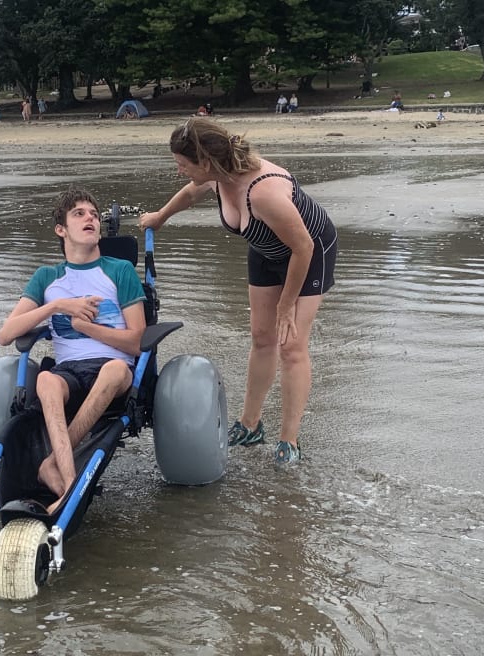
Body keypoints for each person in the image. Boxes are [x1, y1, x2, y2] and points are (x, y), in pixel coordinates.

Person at [138, 118, 338, 464]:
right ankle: (250, 425)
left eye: (183, 164)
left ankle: (289, 441)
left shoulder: (262, 192)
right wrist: (160, 216)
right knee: (261, 337)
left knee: (291, 346)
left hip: (309, 252)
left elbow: (303, 247)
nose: (179, 170)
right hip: (265, 249)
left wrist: (286, 305)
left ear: (205, 162)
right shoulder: (215, 176)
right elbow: (190, 194)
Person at [0, 188, 146, 511]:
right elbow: (6, 335)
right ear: (61, 229)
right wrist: (57, 306)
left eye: (93, 214)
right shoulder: (47, 278)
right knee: (46, 380)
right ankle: (68, 484)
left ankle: (53, 464)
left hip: (114, 370)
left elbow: (137, 342)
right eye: (79, 214)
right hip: (69, 372)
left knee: (114, 370)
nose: (90, 218)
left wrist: (86, 327)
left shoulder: (119, 270)